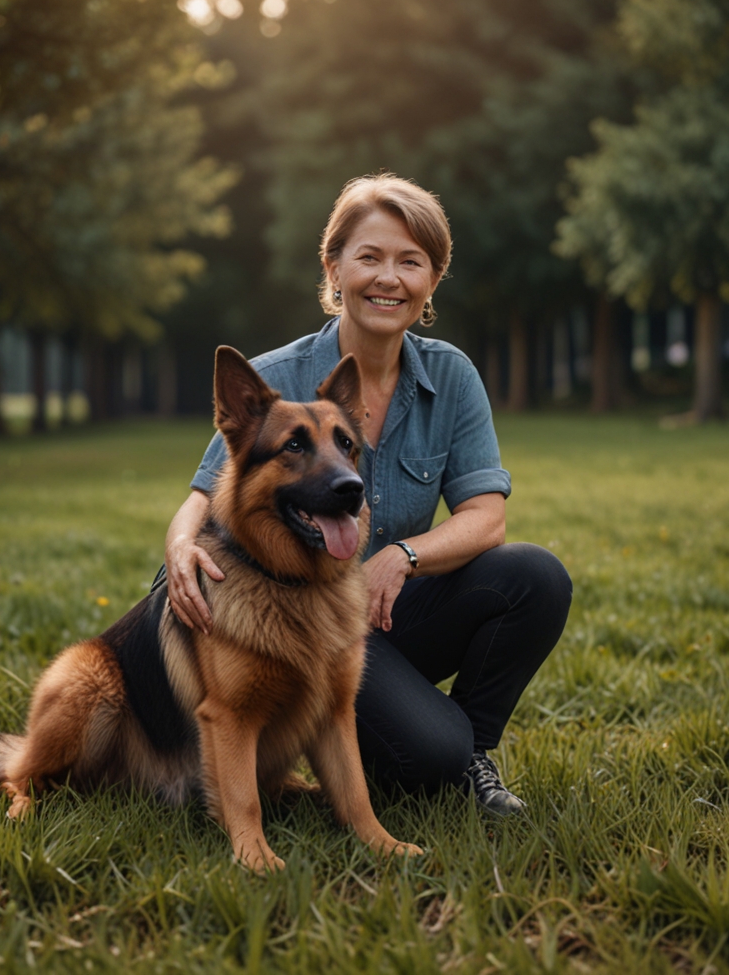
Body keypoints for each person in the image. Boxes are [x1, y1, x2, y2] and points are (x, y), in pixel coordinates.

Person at [164, 173, 571, 815]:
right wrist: (180, 545)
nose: (390, 278)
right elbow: (202, 495)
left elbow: (486, 518)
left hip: (388, 611)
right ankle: (435, 753)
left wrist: (400, 557)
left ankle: (469, 754)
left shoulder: (452, 376)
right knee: (426, 759)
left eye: (412, 262)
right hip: (299, 617)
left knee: (535, 576)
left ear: (432, 280)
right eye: (371, 257)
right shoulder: (279, 376)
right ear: (334, 267)